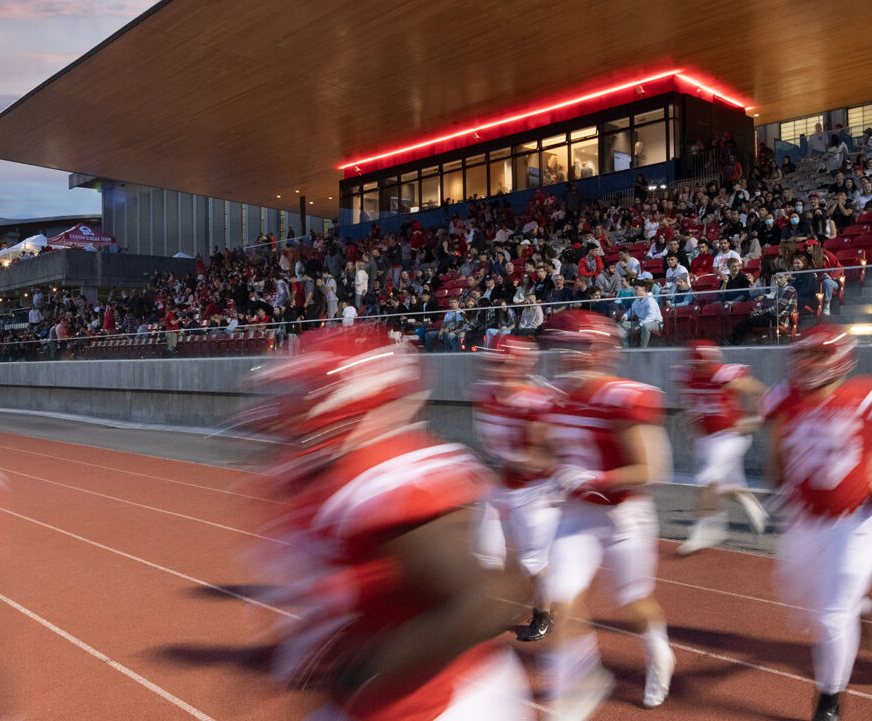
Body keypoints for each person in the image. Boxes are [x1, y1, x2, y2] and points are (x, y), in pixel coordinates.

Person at [254, 326, 532, 721]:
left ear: (346, 401)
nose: (284, 408)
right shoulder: (320, 477)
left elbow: (489, 595)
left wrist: (367, 668)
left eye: (302, 392)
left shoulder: (380, 476)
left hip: (447, 705)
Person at [764, 323, 872, 721]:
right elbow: (776, 457)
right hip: (805, 518)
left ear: (838, 359)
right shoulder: (784, 399)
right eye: (802, 354)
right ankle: (861, 601)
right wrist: (779, 489)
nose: (805, 363)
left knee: (831, 616)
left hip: (858, 521)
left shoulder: (869, 395)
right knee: (802, 609)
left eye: (815, 355)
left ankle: (829, 699)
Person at [541, 309, 674, 714]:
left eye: (577, 346)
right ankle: (582, 681)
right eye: (564, 347)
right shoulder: (559, 398)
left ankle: (659, 653)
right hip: (578, 515)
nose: (567, 355)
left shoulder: (624, 395)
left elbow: (652, 468)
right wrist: (555, 474)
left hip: (623, 516)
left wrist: (592, 478)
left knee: (632, 602)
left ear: (599, 350)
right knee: (559, 598)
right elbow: (555, 453)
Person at [472, 336, 560, 644]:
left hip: (535, 490)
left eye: (501, 362)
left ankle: (543, 613)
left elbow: (548, 456)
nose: (495, 368)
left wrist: (512, 457)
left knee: (532, 561)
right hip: (502, 484)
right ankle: (492, 608)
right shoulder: (487, 394)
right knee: (486, 554)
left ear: (519, 364)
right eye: (493, 362)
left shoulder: (537, 400)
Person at [675, 342, 768, 556]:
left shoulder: (723, 375)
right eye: (696, 365)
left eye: (702, 365)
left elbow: (760, 391)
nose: (699, 369)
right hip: (707, 438)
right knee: (726, 486)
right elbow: (690, 403)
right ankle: (751, 505)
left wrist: (754, 419)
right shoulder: (686, 375)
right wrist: (692, 427)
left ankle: (706, 530)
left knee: (707, 479)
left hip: (730, 435)